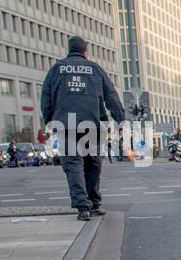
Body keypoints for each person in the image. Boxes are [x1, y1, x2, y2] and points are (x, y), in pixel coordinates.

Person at [41, 36, 125, 221]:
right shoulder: (95, 69)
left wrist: (50, 121)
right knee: (92, 164)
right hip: (92, 125)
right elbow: (111, 94)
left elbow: (46, 97)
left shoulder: (56, 69)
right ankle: (94, 203)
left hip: (65, 125)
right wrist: (119, 118)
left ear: (68, 49)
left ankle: (83, 208)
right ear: (85, 51)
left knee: (73, 166)